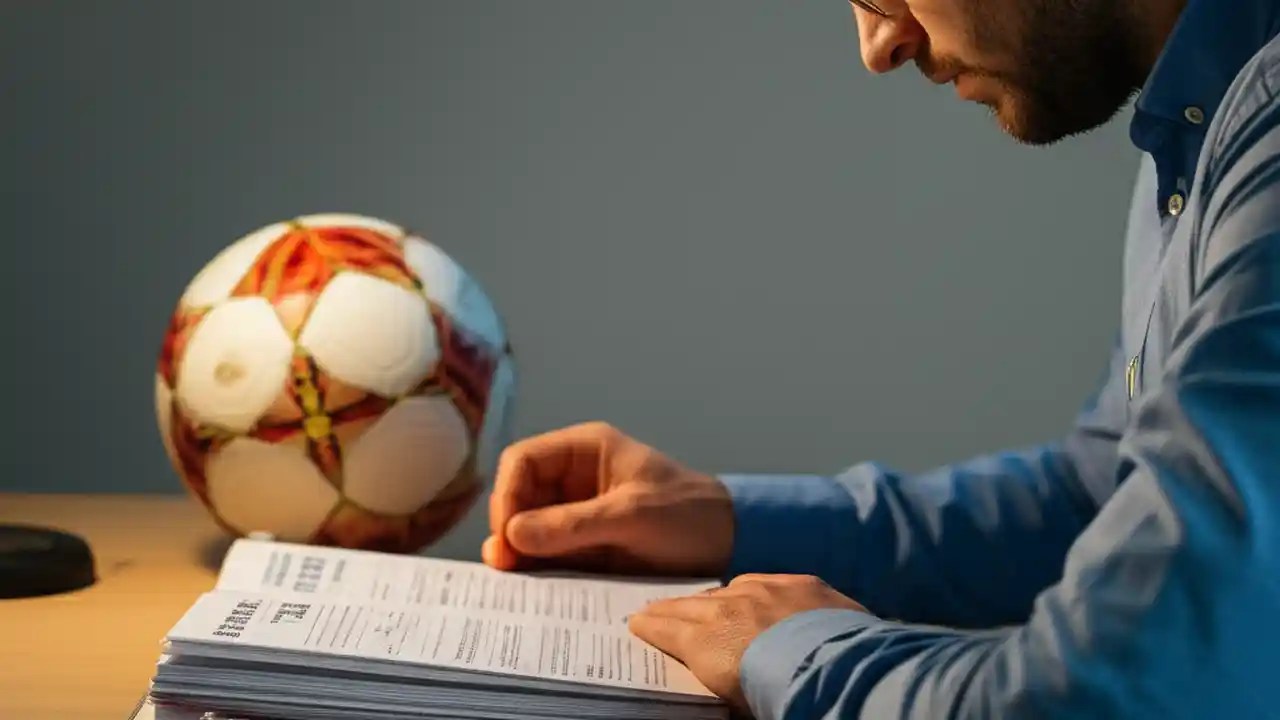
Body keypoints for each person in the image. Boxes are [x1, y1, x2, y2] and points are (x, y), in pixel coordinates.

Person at [481, 0, 1280, 716]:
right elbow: (1099, 497)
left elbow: (1104, 688)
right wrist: (727, 521)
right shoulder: (1202, 126)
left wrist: (800, 650)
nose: (877, 41)